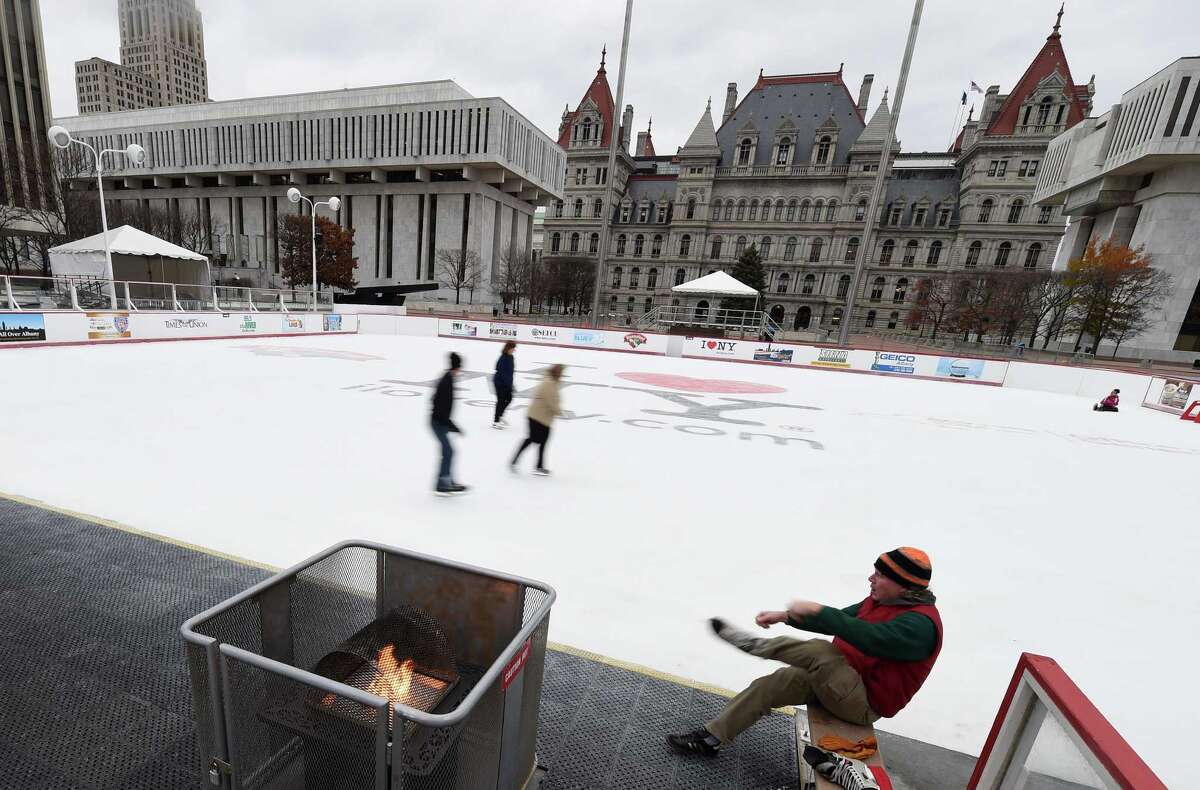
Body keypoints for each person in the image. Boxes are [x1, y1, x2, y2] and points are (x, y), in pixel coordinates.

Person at [668, 547, 942, 757]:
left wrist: (820, 612)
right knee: (776, 682)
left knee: (821, 652)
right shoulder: (882, 600)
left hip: (862, 704)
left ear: (903, 586)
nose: (871, 578)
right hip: (837, 683)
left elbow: (872, 639)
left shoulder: (920, 625)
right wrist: (785, 616)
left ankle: (756, 646)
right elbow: (840, 618)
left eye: (880, 575)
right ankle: (710, 738)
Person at [511, 364, 564, 476]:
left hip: (542, 417)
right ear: (556, 373)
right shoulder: (548, 383)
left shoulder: (551, 382)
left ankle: (538, 466)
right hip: (537, 417)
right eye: (560, 373)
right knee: (533, 439)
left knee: (540, 441)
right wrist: (559, 411)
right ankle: (516, 461)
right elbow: (551, 402)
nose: (562, 375)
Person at [431, 352, 468, 496]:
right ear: (457, 368)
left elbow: (436, 401)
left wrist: (450, 425)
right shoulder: (447, 382)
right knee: (448, 451)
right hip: (437, 422)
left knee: (449, 451)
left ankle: (448, 481)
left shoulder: (448, 379)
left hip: (440, 421)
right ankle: (442, 484)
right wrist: (451, 425)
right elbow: (440, 406)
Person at [493, 341, 516, 429]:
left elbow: (510, 372)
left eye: (514, 348)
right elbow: (500, 371)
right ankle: (496, 421)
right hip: (500, 383)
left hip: (507, 382)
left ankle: (500, 416)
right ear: (508, 348)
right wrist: (507, 384)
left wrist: (511, 384)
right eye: (512, 348)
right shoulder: (503, 358)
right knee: (501, 401)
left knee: (509, 399)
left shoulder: (511, 357)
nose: (514, 350)